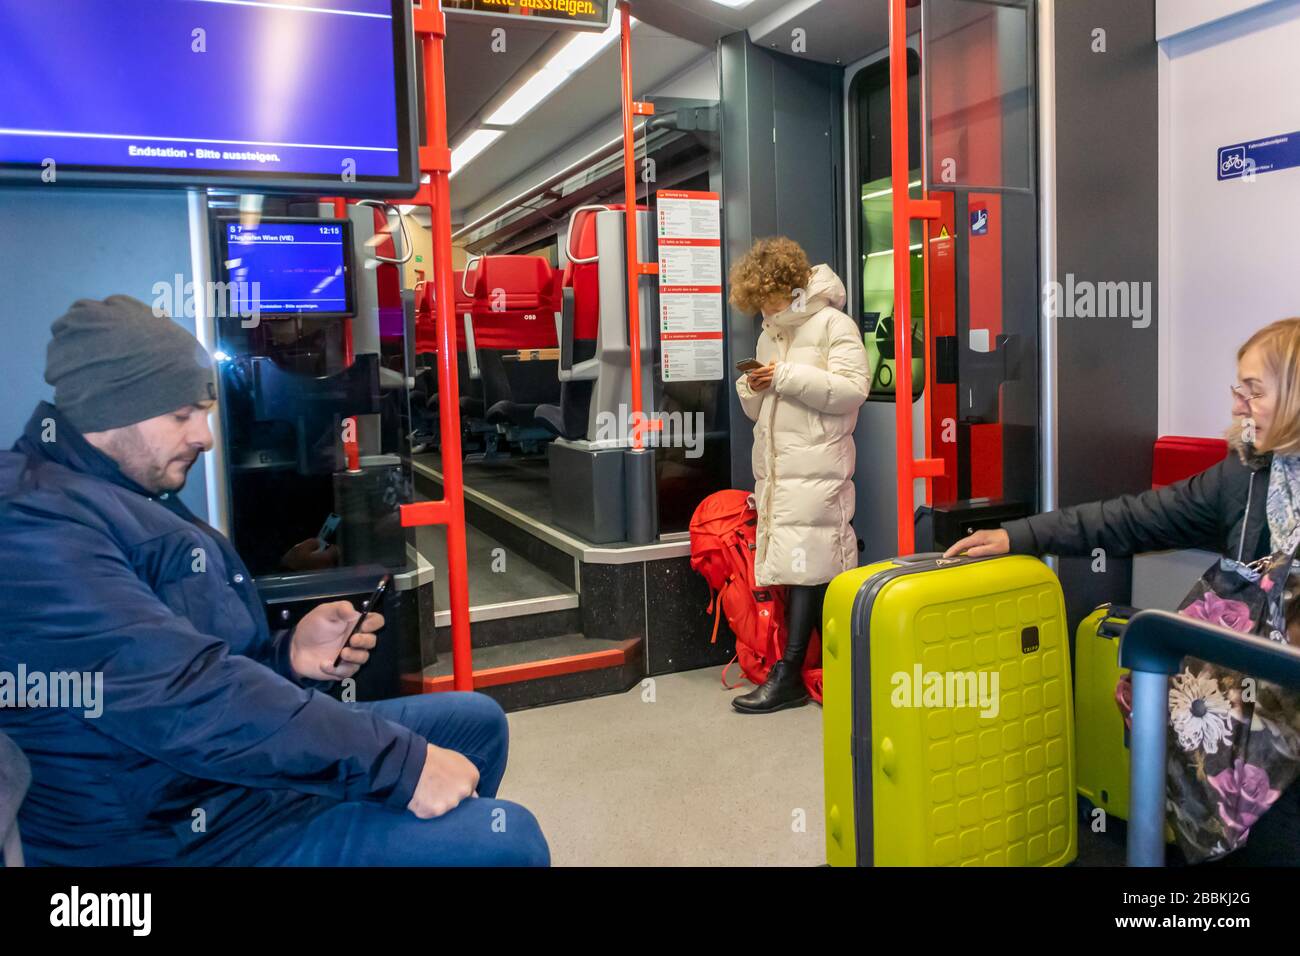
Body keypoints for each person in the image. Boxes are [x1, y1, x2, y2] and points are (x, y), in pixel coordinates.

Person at [0, 295, 549, 866]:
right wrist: (398, 765)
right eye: (182, 414)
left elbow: (189, 663)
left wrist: (288, 656)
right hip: (172, 834)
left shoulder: (120, 493)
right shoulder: (31, 528)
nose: (205, 437)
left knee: (476, 723)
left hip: (215, 781)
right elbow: (185, 699)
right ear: (110, 410)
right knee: (506, 840)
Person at [946, 317, 1300, 863]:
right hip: (1246, 733)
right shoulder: (1245, 477)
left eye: (1254, 392)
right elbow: (1132, 519)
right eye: (1239, 390)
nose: (1237, 406)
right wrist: (1020, 534)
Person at [730, 238, 870, 713]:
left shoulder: (834, 324)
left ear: (789, 288)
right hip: (779, 466)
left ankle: (790, 673)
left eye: (768, 301)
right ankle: (837, 668)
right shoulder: (771, 333)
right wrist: (752, 387)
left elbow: (853, 390)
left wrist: (784, 376)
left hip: (817, 464)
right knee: (805, 568)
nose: (764, 312)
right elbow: (760, 409)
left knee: (811, 566)